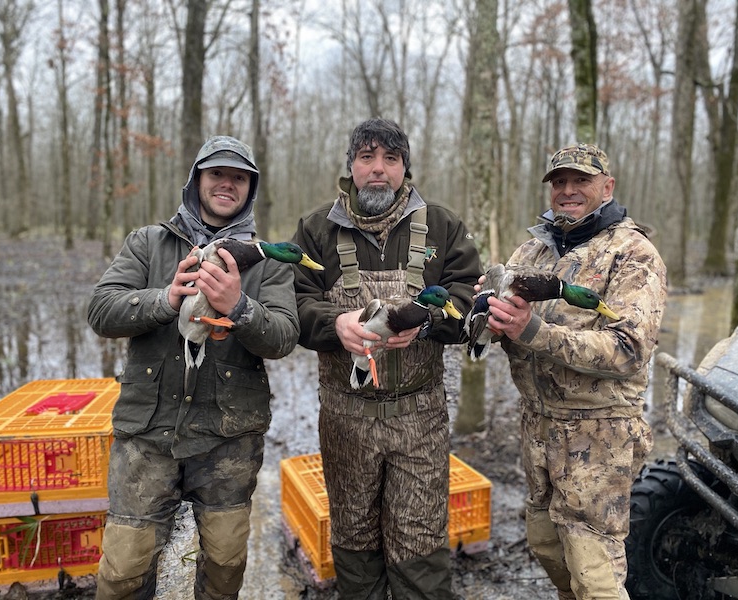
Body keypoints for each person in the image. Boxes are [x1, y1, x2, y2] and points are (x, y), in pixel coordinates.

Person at [87, 135, 300, 600]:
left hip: (229, 436)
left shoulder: (268, 263)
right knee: (124, 566)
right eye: (217, 174)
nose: (227, 184)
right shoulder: (148, 243)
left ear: (251, 188)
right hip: (148, 431)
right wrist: (165, 298)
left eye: (239, 177)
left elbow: (284, 336)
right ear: (196, 180)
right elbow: (101, 311)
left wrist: (239, 306)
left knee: (225, 563)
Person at [291, 118, 483, 599]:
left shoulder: (443, 227)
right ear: (350, 166)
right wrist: (336, 325)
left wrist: (428, 322)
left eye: (390, 159)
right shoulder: (314, 231)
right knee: (354, 540)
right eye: (367, 158)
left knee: (419, 544)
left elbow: (469, 302)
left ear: (405, 167)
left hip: (420, 418)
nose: (378, 170)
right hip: (344, 418)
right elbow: (293, 304)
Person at [483, 143, 667, 600]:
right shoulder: (532, 250)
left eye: (580, 181)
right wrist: (487, 318)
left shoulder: (633, 255)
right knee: (549, 548)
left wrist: (534, 332)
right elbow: (503, 320)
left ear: (607, 186)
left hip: (599, 435)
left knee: (595, 574)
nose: (567, 191)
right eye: (559, 182)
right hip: (538, 430)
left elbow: (627, 349)